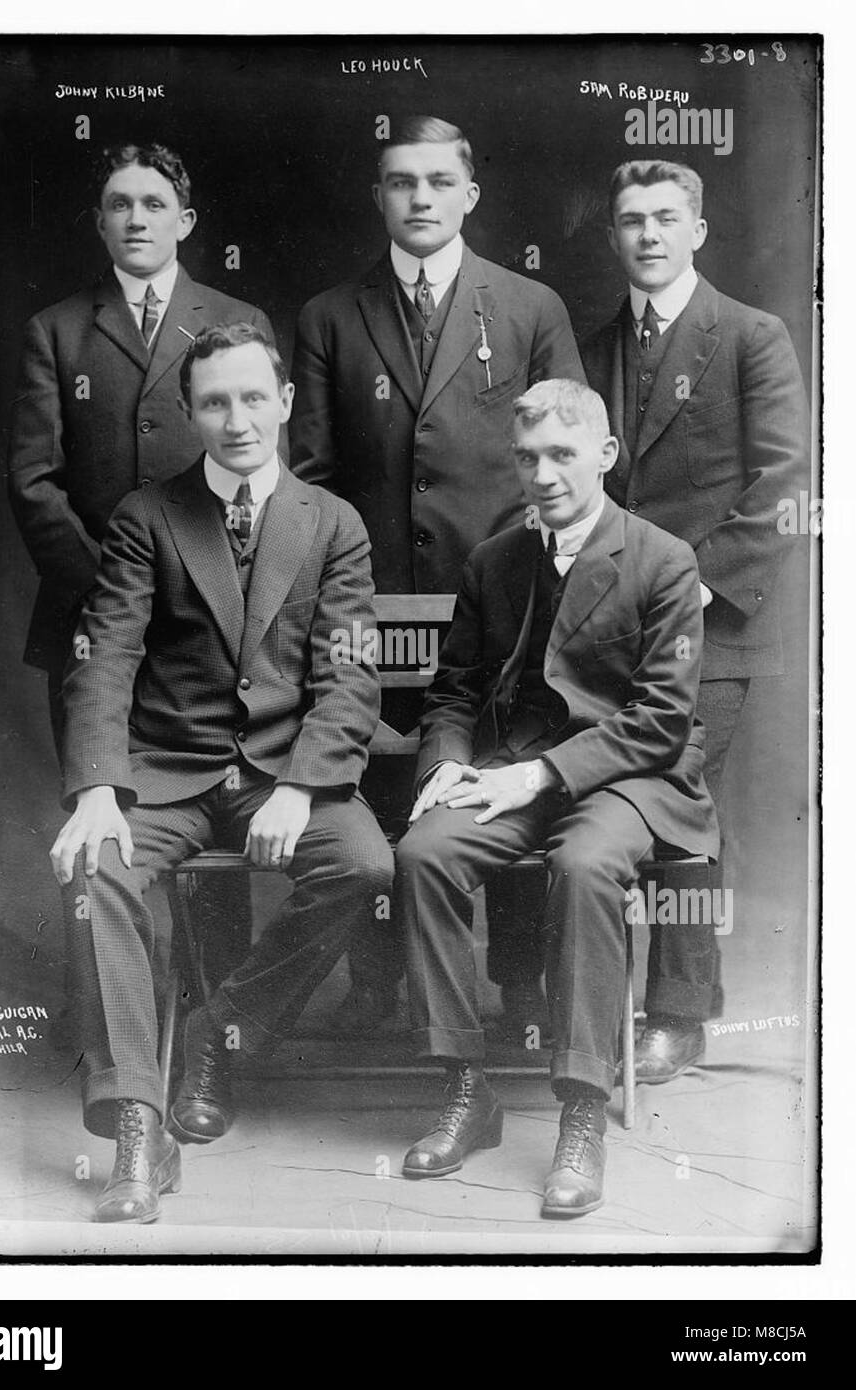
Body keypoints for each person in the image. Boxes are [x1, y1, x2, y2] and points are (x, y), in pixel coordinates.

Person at [48, 324, 392, 1223]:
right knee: (97, 869)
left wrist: (301, 784)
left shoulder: (333, 524)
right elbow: (107, 656)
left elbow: (352, 670)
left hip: (286, 772)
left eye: (252, 398)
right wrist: (96, 790)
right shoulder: (145, 516)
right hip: (170, 772)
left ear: (282, 403)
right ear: (189, 413)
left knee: (361, 864)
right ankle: (137, 1122)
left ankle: (217, 1035)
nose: (235, 420)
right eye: (213, 402)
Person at [394, 380, 718, 1217]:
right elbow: (453, 692)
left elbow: (661, 720)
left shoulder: (662, 559)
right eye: (528, 456)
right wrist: (442, 767)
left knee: (581, 866)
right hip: (514, 772)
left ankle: (581, 1111)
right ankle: (467, 1088)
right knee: (423, 853)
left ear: (604, 457)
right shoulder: (494, 561)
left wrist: (535, 776)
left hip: (628, 779)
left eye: (562, 455)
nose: (542, 475)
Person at [291, 115, 586, 1030]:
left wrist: (539, 578)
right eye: (399, 181)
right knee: (376, 780)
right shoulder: (330, 316)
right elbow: (305, 472)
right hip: (367, 598)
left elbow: (568, 458)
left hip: (504, 597)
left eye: (436, 181)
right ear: (379, 196)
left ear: (469, 194)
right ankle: (377, 988)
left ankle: (524, 988)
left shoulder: (530, 307)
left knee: (501, 766)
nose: (419, 197)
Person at [581, 160, 810, 1082]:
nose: (647, 234)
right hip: (604, 624)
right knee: (608, 802)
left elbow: (784, 483)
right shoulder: (596, 346)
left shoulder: (753, 336)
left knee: (678, 803)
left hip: (710, 624)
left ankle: (676, 1011)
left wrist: (690, 588)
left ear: (698, 231)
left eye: (665, 218)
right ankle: (591, 999)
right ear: (612, 234)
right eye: (630, 218)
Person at [8, 141, 278, 755]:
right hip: (90, 607)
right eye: (120, 205)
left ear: (184, 220)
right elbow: (33, 481)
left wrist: (216, 578)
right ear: (100, 221)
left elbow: (259, 466)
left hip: (213, 607)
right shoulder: (55, 330)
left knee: (213, 793)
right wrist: (108, 584)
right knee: (98, 804)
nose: (137, 219)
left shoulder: (240, 319)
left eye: (154, 204)